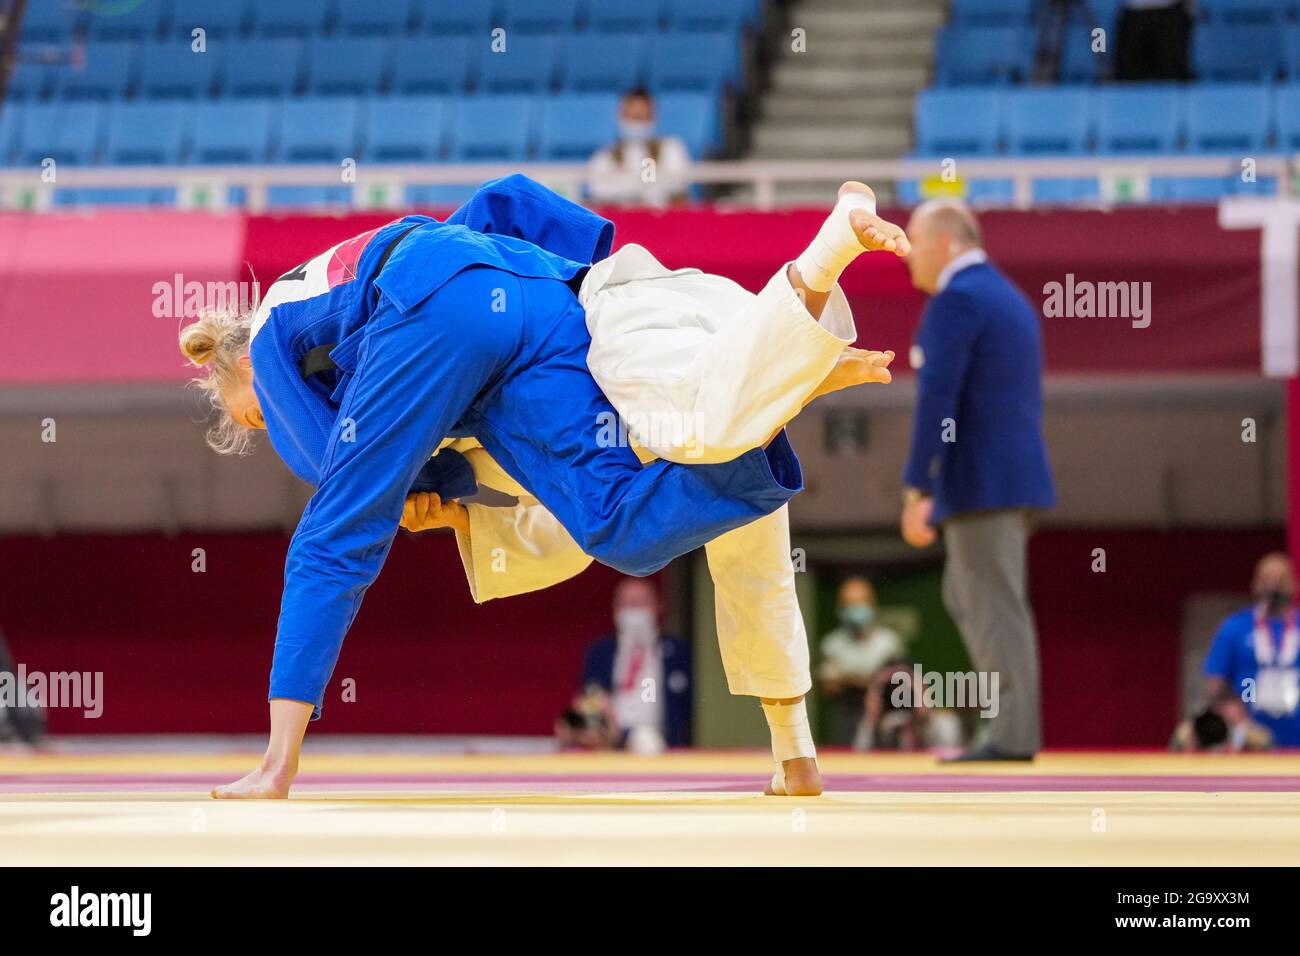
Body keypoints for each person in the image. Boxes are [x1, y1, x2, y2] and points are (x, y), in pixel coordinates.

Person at [180, 174, 909, 799]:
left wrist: (410, 490)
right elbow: (505, 202)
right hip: (530, 303)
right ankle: (772, 404)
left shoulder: (270, 336)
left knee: (330, 535)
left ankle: (277, 761)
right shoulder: (333, 304)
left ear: (238, 373)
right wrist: (444, 487)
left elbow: (329, 482)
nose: (270, 425)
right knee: (618, 529)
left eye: (257, 419)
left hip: (437, 311)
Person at [899, 199, 1055, 763]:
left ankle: (1011, 736)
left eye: (915, 243)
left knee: (993, 606)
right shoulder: (1008, 298)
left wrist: (919, 486)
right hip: (1009, 480)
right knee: (972, 596)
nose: (908, 256)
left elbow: (938, 402)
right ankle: (1009, 726)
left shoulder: (957, 302)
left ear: (944, 243)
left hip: (981, 485)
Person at [574, 577, 692, 751]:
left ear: (658, 606)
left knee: (647, 740)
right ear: (615, 609)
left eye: (641, 603)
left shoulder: (677, 651)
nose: (635, 610)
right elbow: (587, 697)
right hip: (612, 744)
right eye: (629, 603)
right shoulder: (599, 652)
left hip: (664, 745)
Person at [1201, 552, 1300, 748]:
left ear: (1294, 584)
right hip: (1250, 741)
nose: (1274, 586)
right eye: (1267, 580)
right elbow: (1215, 681)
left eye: (1281, 579)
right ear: (1255, 584)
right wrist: (1230, 710)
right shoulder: (1235, 627)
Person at [817, 576, 906, 743]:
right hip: (847, 717)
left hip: (885, 719)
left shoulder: (889, 642)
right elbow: (830, 686)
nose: (854, 609)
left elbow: (899, 683)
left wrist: (852, 679)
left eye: (860, 603)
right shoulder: (831, 644)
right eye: (849, 604)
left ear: (872, 605)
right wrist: (874, 680)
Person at [586, 87, 692, 208]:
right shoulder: (605, 155)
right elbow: (597, 189)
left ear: (653, 118)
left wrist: (633, 185)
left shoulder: (671, 148)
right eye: (633, 117)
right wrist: (639, 188)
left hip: (661, 217)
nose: (636, 125)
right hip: (622, 219)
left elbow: (678, 182)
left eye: (642, 118)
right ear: (620, 117)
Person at [1115, 0, 1193, 83]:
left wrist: (1189, 8)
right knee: (1128, 74)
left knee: (1172, 71)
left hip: (1169, 13)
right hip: (1133, 13)